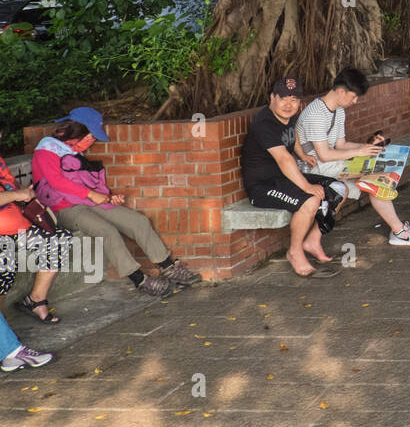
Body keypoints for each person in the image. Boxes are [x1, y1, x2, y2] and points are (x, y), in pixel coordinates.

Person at [33, 107, 202, 297]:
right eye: (90, 136)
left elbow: (83, 180)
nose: (92, 141)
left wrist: (107, 196)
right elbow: (57, 182)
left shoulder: (71, 150)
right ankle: (140, 280)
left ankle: (169, 267)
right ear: (77, 131)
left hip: (88, 201)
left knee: (138, 221)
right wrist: (91, 194)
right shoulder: (46, 149)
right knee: (107, 231)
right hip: (64, 208)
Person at [296, 68, 410, 247]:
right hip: (313, 167)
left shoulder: (338, 111)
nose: (355, 101)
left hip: (330, 163)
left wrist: (369, 148)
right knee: (375, 174)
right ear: (342, 91)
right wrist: (359, 152)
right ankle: (399, 231)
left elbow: (341, 145)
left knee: (374, 173)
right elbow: (324, 155)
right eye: (354, 96)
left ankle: (398, 231)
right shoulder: (316, 114)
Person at [241, 78, 345, 278]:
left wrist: (302, 154)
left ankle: (312, 241)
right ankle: (294, 251)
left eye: (295, 99)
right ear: (272, 98)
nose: (289, 104)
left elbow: (292, 134)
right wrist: (306, 186)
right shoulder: (264, 123)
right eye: (283, 98)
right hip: (262, 187)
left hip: (284, 179)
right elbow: (283, 159)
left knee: (339, 189)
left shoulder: (289, 117)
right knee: (311, 200)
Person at [1, 144, 72, 324]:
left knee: (59, 239)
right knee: (4, 265)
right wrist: (17, 195)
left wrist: (25, 192)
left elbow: (10, 186)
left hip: (19, 227)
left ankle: (35, 300)